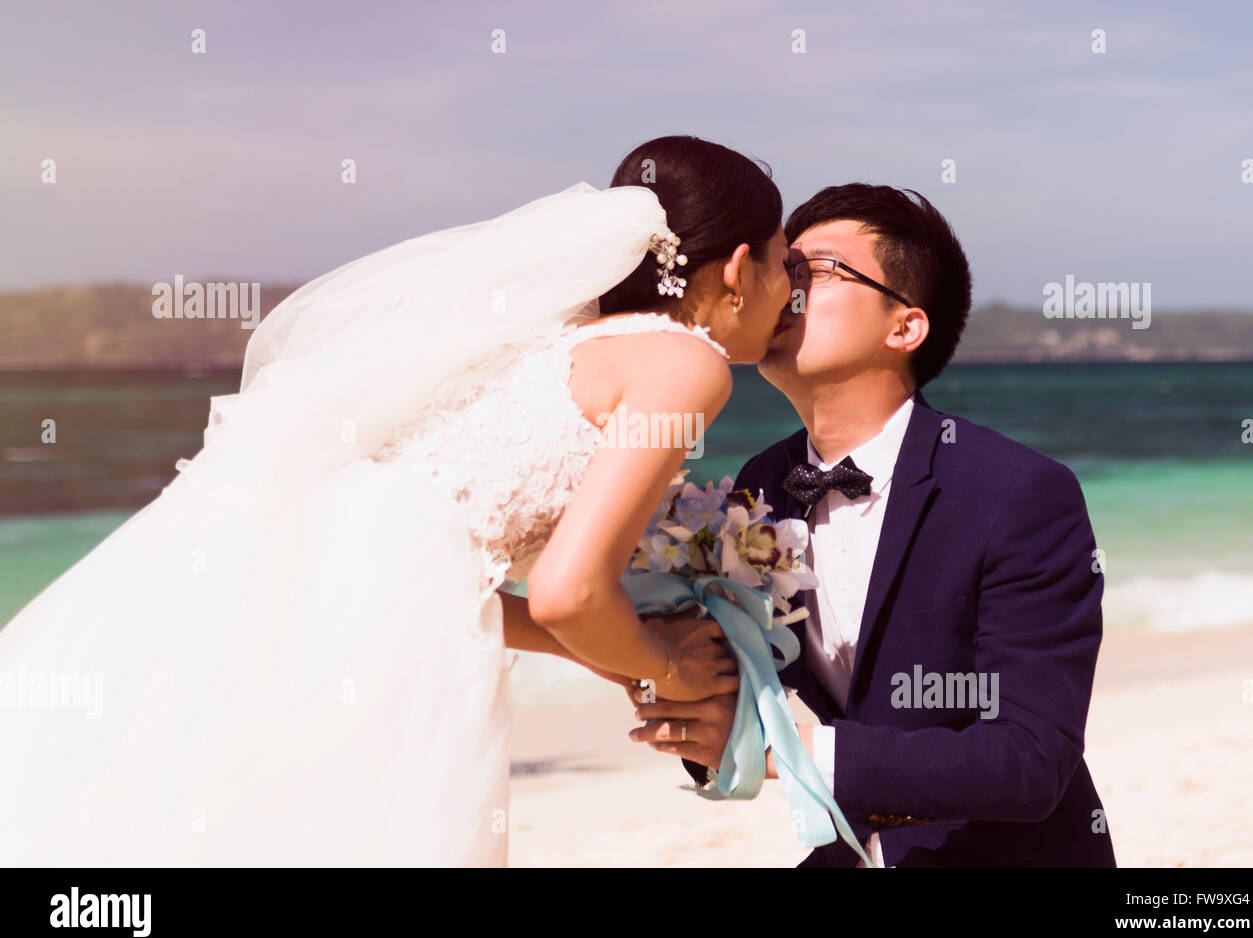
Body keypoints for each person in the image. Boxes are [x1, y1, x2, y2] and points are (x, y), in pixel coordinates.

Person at [0, 135, 791, 866]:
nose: (789, 294)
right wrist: (663, 665)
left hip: (309, 584)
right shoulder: (687, 363)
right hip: (384, 630)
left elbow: (473, 586)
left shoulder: (564, 338)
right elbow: (565, 591)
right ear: (737, 268)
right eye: (788, 266)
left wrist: (625, 652)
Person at [631, 183, 1117, 867]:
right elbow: (742, 686)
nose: (786, 288)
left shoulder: (1020, 493)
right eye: (782, 267)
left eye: (817, 269)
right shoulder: (757, 487)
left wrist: (791, 749)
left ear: (904, 327)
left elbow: (1031, 758)